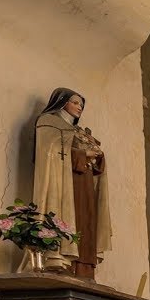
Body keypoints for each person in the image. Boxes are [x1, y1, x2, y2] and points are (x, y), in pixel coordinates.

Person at [34, 88, 111, 279]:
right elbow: (48, 151)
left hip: (84, 182)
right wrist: (82, 154)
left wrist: (98, 157)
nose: (79, 108)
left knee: (86, 220)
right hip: (64, 184)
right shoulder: (48, 122)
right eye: (75, 103)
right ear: (62, 102)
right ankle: (60, 261)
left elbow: (94, 160)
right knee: (68, 216)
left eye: (81, 105)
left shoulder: (77, 131)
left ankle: (84, 268)